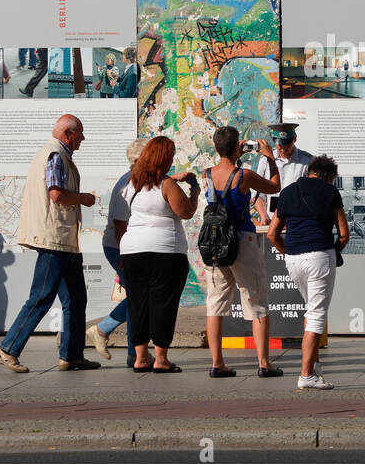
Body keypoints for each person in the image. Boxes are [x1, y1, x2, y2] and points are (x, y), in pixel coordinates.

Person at [0, 114, 100, 372]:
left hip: (65, 240)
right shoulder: (55, 155)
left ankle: (72, 355)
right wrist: (83, 198)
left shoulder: (57, 154)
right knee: (41, 297)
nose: (82, 139)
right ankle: (7, 348)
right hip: (55, 239)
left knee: (76, 299)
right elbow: (56, 194)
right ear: (67, 134)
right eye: (80, 134)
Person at [113, 136, 198, 373]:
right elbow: (186, 212)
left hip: (132, 250)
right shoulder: (167, 185)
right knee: (163, 303)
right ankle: (161, 359)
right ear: (164, 158)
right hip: (165, 251)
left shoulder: (132, 184)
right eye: (170, 156)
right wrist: (194, 194)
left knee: (137, 303)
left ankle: (140, 358)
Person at [204, 125, 282, 378]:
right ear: (238, 147)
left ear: (216, 147)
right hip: (243, 240)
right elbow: (274, 187)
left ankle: (217, 363)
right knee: (256, 300)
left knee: (215, 304)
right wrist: (269, 159)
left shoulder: (206, 174)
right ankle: (263, 363)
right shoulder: (243, 175)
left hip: (215, 242)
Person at [267, 155, 349, 390]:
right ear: (328, 177)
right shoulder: (330, 192)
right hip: (319, 256)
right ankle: (306, 376)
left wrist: (287, 253)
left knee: (310, 309)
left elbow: (273, 233)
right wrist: (334, 253)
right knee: (315, 315)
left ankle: (314, 366)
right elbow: (344, 234)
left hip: (293, 259)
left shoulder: (288, 191)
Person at [86, 138, 147, 362]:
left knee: (138, 296)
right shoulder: (130, 182)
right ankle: (131, 351)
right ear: (138, 159)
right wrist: (124, 257)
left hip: (124, 246)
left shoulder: (135, 179)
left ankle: (106, 333)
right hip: (119, 246)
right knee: (138, 297)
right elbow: (121, 224)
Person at [255, 122, 312, 219]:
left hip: (296, 221)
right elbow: (257, 194)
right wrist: (264, 216)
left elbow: (311, 195)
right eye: (280, 145)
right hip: (272, 220)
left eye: (287, 144)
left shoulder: (307, 161)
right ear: (273, 141)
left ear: (295, 139)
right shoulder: (265, 161)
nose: (284, 148)